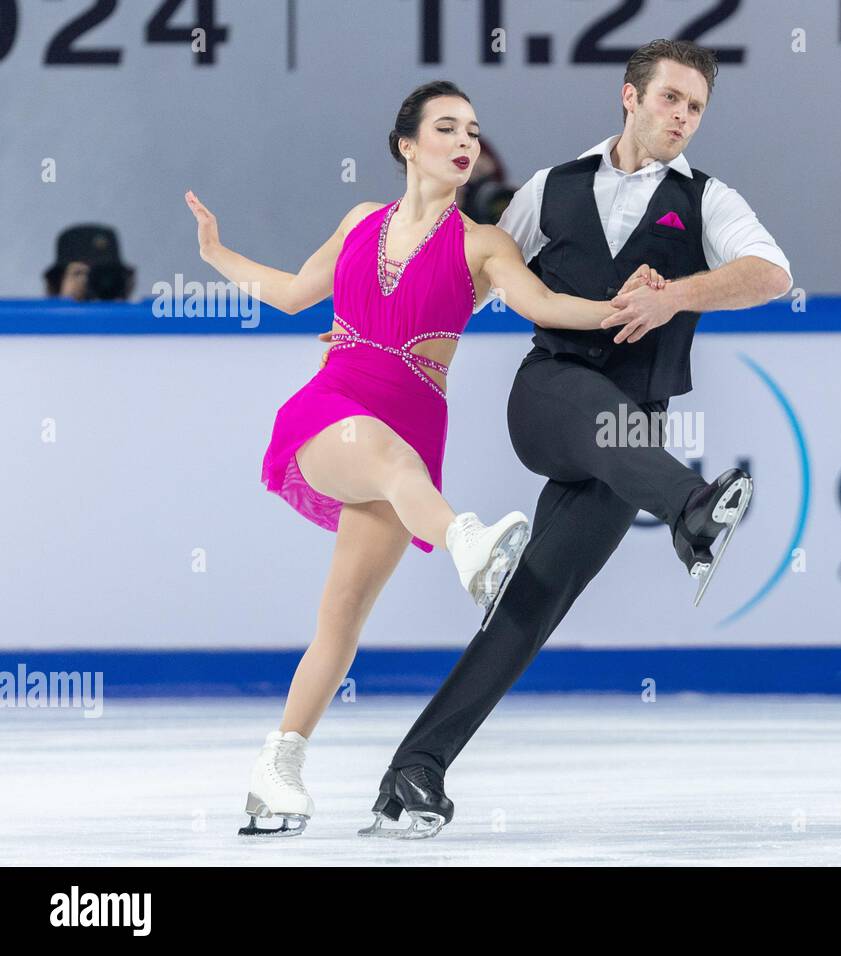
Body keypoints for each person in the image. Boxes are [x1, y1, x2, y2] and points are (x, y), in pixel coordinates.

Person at [183, 79, 669, 837]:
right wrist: (215, 253)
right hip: (332, 410)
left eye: (473, 130)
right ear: (408, 144)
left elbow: (546, 307)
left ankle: (275, 769)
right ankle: (469, 543)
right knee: (386, 461)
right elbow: (288, 295)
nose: (465, 140)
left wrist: (626, 306)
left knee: (341, 617)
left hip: (410, 426)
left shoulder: (485, 244)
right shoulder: (359, 221)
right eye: (447, 127)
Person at [358, 39, 793, 839]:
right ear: (631, 97)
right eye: (670, 99)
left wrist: (678, 297)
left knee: (532, 603)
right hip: (552, 399)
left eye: (695, 107)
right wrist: (380, 344)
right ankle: (691, 512)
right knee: (600, 417)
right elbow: (473, 278)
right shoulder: (549, 189)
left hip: (635, 433)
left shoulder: (708, 201)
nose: (682, 118)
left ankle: (413, 771)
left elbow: (772, 274)